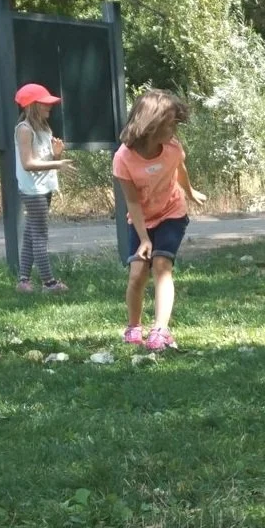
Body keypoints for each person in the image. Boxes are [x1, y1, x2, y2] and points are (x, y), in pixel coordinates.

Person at [112, 90, 207, 352]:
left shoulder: (172, 148)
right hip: (141, 218)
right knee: (137, 273)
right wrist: (143, 238)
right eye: (170, 124)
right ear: (151, 124)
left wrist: (190, 192)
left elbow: (179, 169)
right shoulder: (123, 158)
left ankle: (160, 330)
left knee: (162, 265)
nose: (174, 130)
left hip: (171, 212)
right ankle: (134, 327)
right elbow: (132, 202)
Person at [14, 83, 72, 293]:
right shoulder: (24, 130)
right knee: (40, 235)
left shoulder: (44, 128)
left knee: (31, 233)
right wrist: (57, 164)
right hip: (33, 190)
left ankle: (23, 281)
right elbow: (28, 164)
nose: (50, 106)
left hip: (44, 187)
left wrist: (56, 154)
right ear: (33, 106)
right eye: (45, 103)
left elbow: (44, 159)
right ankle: (49, 283)